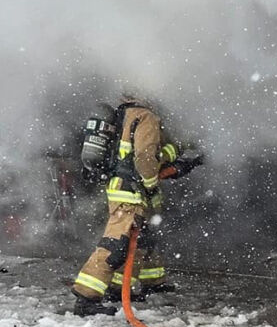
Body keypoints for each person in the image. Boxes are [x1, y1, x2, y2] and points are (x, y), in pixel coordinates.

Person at [71, 96, 202, 315]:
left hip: (124, 187)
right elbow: (144, 157)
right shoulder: (146, 116)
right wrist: (150, 185)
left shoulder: (124, 115)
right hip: (130, 191)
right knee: (116, 244)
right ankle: (86, 298)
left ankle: (131, 285)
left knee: (142, 239)